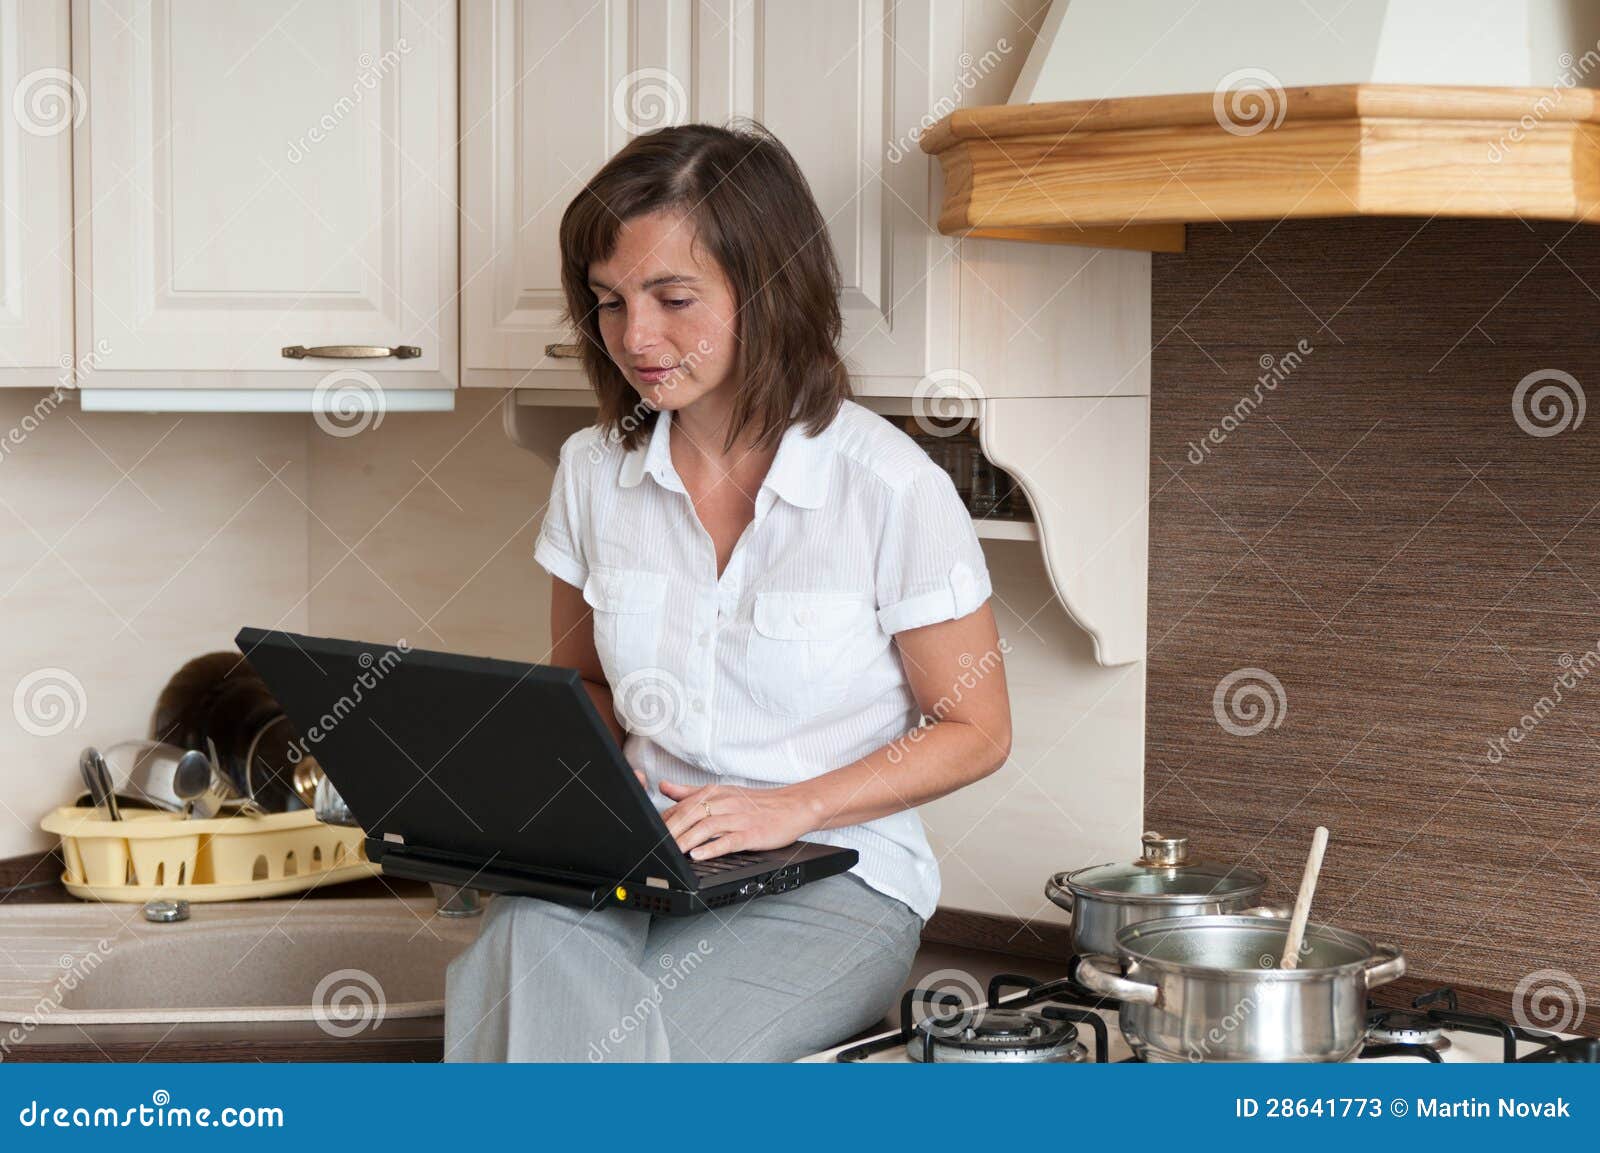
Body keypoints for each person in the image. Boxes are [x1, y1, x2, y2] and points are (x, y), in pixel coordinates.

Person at [445, 121, 1012, 1062]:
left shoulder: (888, 485)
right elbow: (582, 686)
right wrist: (581, 787)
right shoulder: (592, 471)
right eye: (609, 301)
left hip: (835, 880)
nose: (636, 337)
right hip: (635, 860)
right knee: (524, 936)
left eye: (673, 298)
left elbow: (977, 730)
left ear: (771, 288)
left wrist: (790, 806)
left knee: (609, 1049)